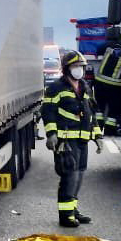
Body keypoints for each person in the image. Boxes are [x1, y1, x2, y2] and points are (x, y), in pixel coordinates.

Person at [43, 51, 102, 227]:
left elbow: (91, 114)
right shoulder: (56, 88)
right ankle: (65, 215)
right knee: (70, 175)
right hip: (65, 141)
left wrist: (97, 136)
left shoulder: (85, 87)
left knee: (79, 175)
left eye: (81, 67)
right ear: (67, 69)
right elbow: (48, 112)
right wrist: (51, 134)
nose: (79, 70)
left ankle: (73, 209)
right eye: (75, 67)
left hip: (82, 141)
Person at [94, 31, 121, 136]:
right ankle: (109, 132)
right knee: (114, 111)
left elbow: (98, 49)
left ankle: (97, 129)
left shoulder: (109, 45)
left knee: (99, 108)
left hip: (99, 82)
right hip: (115, 86)